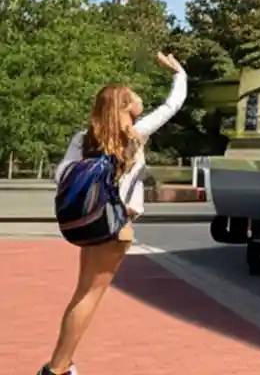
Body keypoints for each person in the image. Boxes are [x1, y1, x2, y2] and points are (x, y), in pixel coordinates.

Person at [38, 52, 187, 375]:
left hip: (90, 222)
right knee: (90, 296)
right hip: (116, 226)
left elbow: (61, 175)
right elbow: (173, 104)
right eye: (132, 95)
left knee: (82, 293)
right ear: (124, 107)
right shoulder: (135, 134)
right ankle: (57, 369)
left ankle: (62, 364)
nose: (138, 97)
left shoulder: (83, 138)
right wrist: (178, 72)